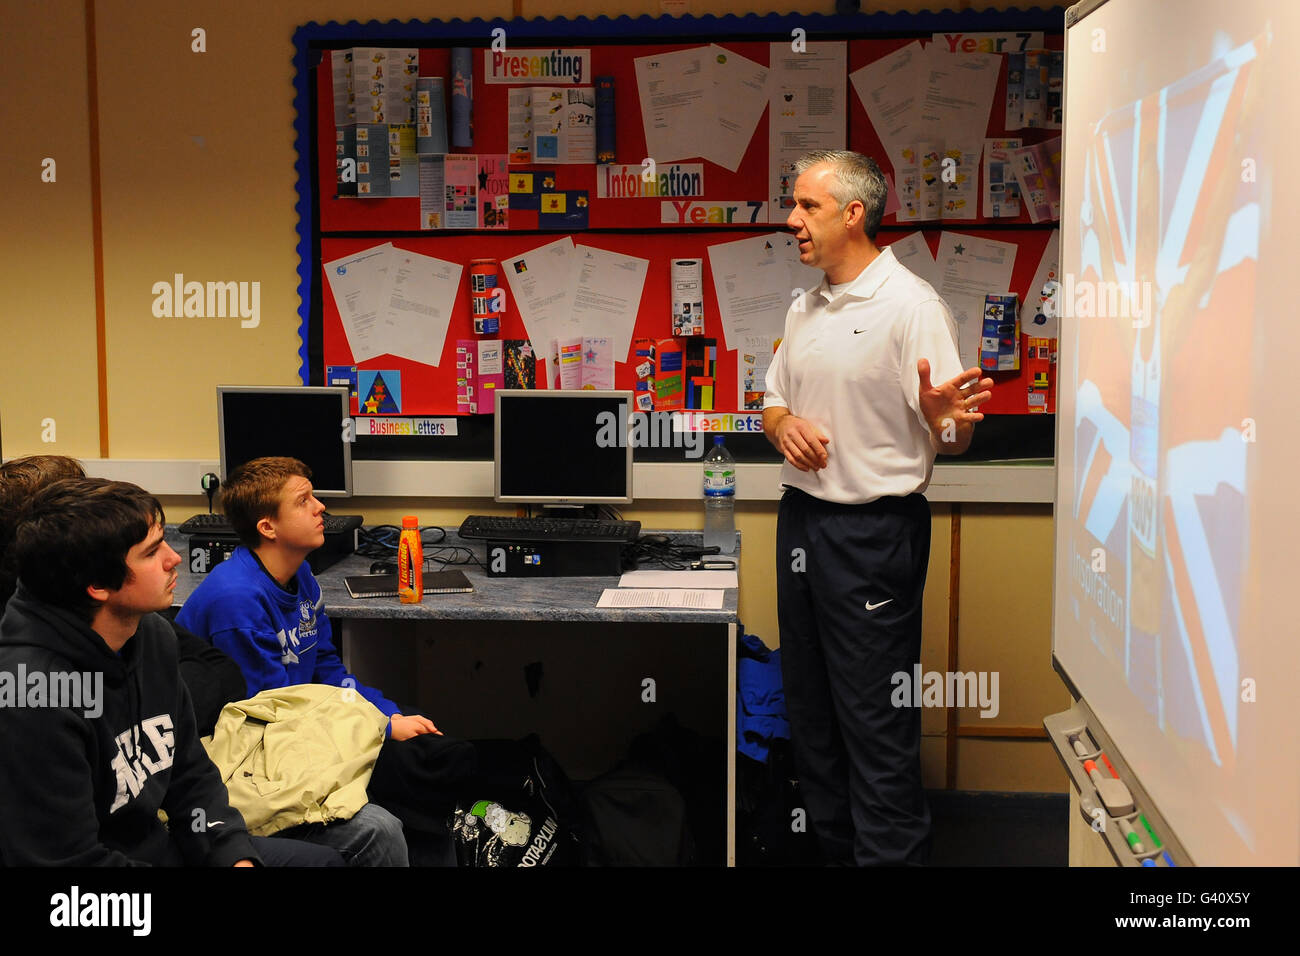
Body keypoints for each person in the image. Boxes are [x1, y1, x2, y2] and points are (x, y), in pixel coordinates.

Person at [762, 150, 994, 866]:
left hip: (872, 536)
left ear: (853, 214)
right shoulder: (804, 305)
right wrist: (783, 426)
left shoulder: (911, 305)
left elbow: (953, 439)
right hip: (802, 523)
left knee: (876, 727)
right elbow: (771, 400)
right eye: (793, 205)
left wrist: (940, 418)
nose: (791, 220)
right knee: (814, 721)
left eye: (807, 206)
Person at [176, 456, 468, 863]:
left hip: (306, 723)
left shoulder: (302, 576)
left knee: (424, 745)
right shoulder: (236, 601)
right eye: (303, 501)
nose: (321, 508)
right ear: (268, 526)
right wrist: (379, 728)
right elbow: (273, 714)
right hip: (250, 757)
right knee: (409, 779)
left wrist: (387, 714)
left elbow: (329, 671)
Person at [0, 477, 267, 866]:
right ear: (97, 584)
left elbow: (191, 780)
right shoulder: (32, 697)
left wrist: (231, 855)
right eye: (152, 551)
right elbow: (67, 864)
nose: (174, 558)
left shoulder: (151, 634)